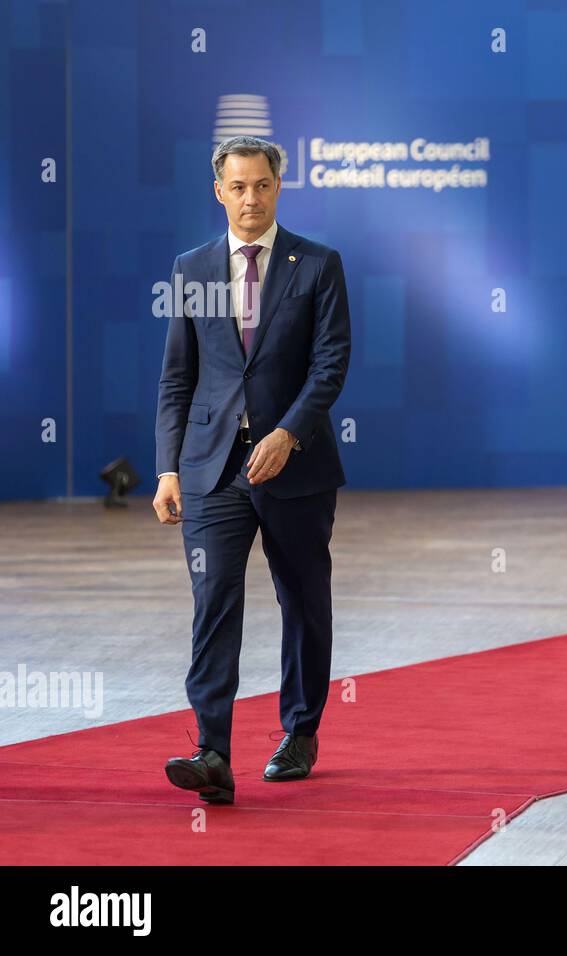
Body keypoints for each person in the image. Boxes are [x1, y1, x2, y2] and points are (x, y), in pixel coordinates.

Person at [152, 135, 350, 804]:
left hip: (294, 467)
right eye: (238, 186)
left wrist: (289, 433)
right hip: (211, 468)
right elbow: (178, 377)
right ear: (219, 191)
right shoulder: (193, 268)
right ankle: (212, 751)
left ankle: (299, 730)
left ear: (278, 187)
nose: (250, 198)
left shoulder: (317, 266)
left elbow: (330, 365)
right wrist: (167, 468)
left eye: (261, 185)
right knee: (214, 601)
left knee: (302, 597)